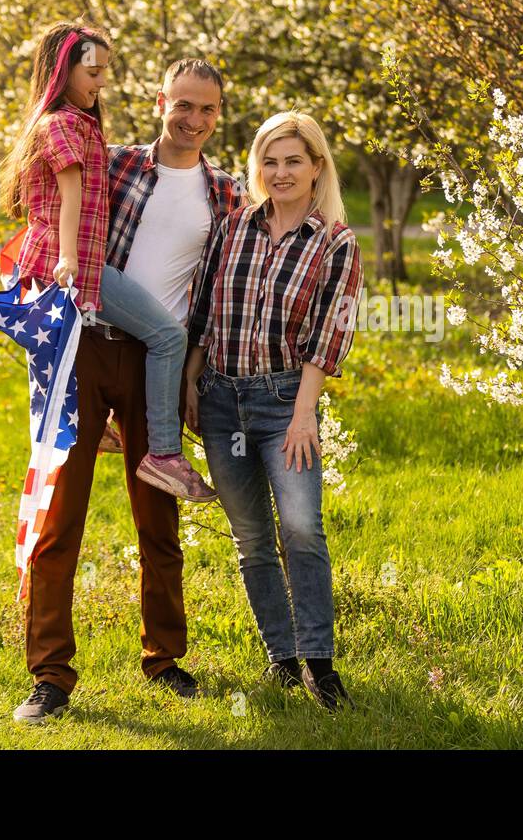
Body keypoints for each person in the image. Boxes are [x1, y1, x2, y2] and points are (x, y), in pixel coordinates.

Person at [1, 42, 246, 723]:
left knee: (157, 520)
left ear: (217, 116)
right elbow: (50, 220)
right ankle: (50, 675)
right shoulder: (116, 161)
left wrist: (195, 376)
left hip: (153, 366)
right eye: (183, 105)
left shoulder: (224, 192)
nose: (194, 119)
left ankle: (164, 658)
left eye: (208, 110)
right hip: (83, 352)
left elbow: (216, 295)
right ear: (161, 104)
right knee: (61, 516)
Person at [183, 111, 364, 711]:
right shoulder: (232, 228)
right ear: (257, 167)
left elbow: (329, 335)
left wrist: (304, 413)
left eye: (293, 161)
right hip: (220, 400)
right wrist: (190, 385)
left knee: (302, 529)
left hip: (286, 400)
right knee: (252, 537)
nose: (280, 172)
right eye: (270, 160)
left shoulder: (335, 242)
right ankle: (281, 659)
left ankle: (320, 663)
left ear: (316, 168)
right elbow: (204, 315)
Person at [0, 20, 213, 504]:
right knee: (166, 335)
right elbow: (70, 194)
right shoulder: (63, 124)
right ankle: (163, 452)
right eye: (93, 72)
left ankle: (102, 432)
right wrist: (70, 256)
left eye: (104, 72)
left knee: (59, 344)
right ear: (63, 68)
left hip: (72, 263)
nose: (101, 83)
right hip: (75, 264)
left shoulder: (75, 125)